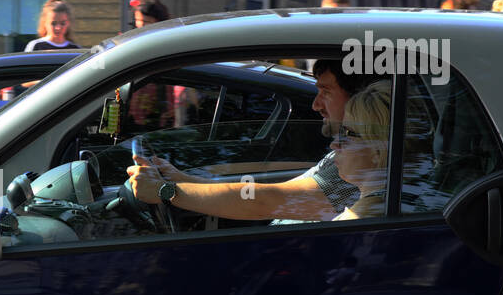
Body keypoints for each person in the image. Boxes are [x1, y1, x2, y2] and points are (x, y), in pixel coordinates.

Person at [127, 59, 377, 222]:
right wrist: (183, 180)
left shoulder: (366, 160)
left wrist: (166, 191)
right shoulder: (350, 150)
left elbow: (267, 201)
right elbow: (270, 194)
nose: (315, 104)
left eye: (326, 91)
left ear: (358, 97)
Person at [329, 81, 393, 220]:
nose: (334, 144)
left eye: (346, 133)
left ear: (378, 148)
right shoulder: (394, 201)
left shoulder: (358, 220)